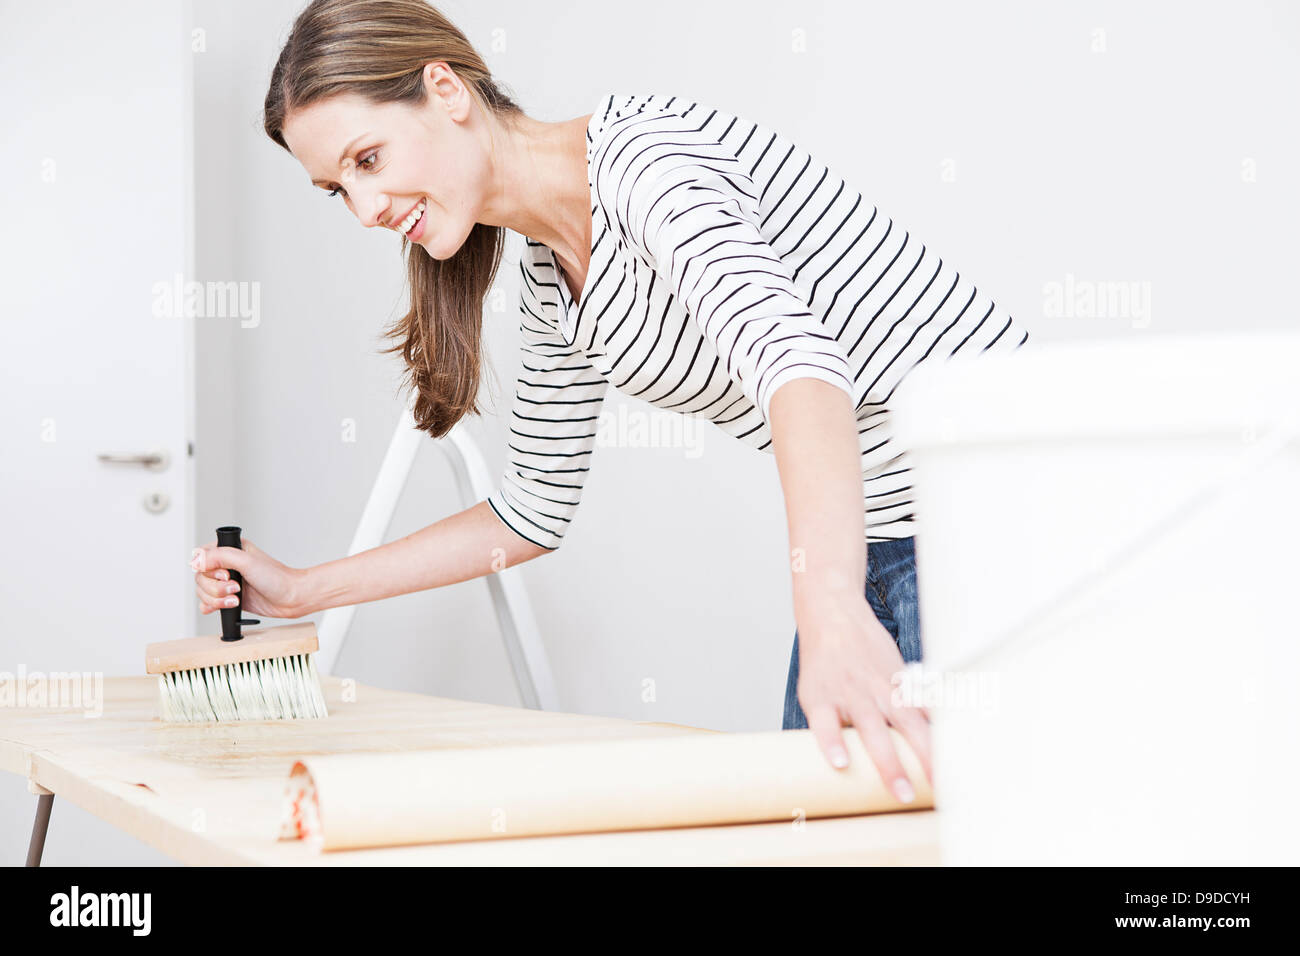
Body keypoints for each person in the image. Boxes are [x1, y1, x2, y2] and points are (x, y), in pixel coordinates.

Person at [192, 0, 1030, 803]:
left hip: (1006, 515)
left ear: (445, 90)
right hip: (879, 543)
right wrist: (304, 592)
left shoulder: (643, 159)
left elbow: (798, 366)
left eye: (367, 160)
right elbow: (530, 512)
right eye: (335, 188)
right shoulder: (549, 281)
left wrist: (831, 607)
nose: (365, 209)